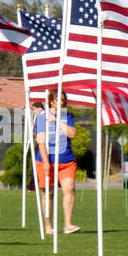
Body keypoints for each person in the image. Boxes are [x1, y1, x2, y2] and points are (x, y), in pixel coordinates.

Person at [34, 90, 79, 234]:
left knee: (69, 189)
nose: (61, 102)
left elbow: (72, 134)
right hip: (47, 160)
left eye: (63, 100)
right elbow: (41, 141)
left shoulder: (67, 116)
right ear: (51, 101)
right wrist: (46, 162)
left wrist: (58, 121)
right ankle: (48, 226)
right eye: (58, 100)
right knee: (48, 193)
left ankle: (68, 224)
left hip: (66, 160)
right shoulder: (42, 117)